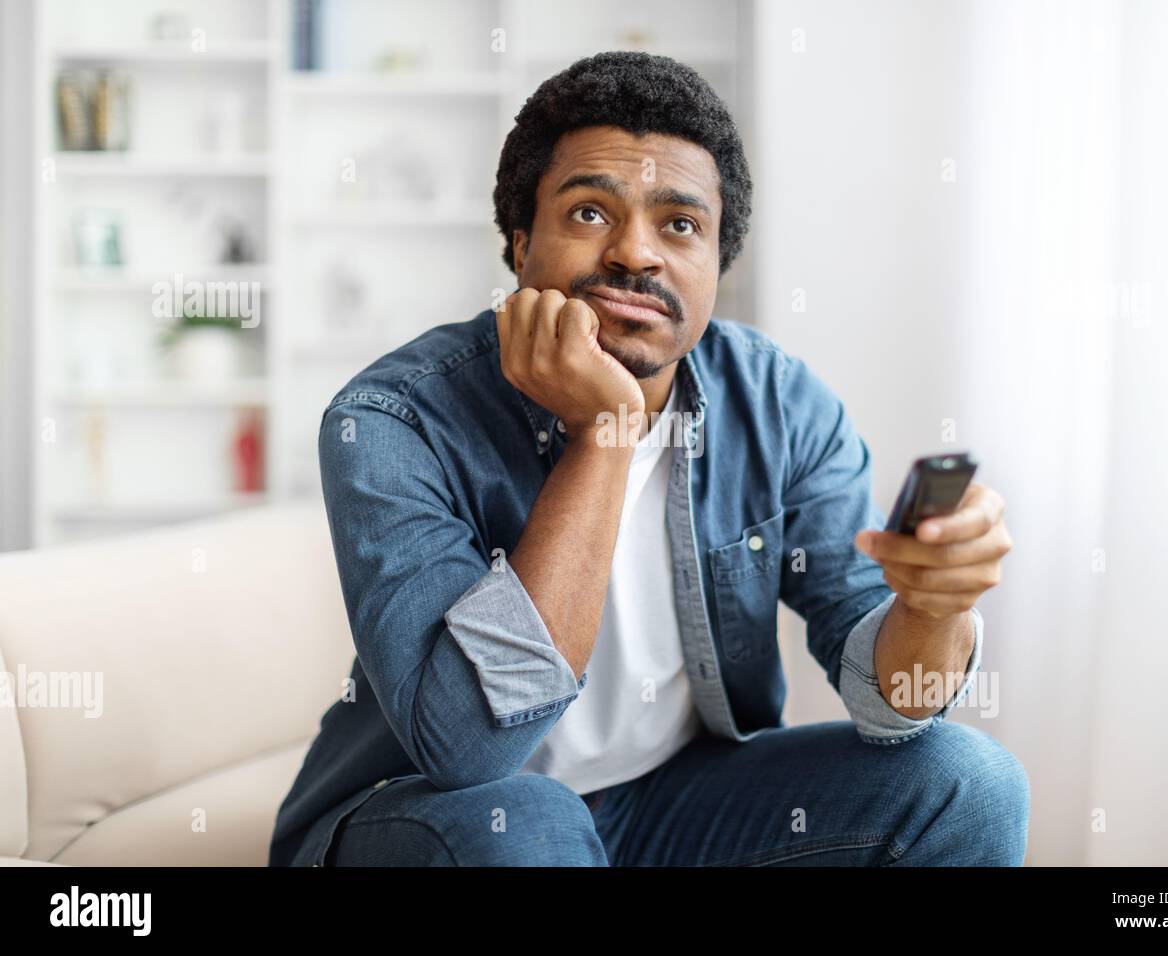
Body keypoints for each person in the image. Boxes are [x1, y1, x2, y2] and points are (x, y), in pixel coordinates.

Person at [268, 50, 1028, 867]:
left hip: (671, 805)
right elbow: (468, 751)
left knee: (970, 781)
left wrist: (932, 607)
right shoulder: (393, 417)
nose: (637, 252)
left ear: (715, 268)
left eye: (680, 224)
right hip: (437, 818)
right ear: (521, 244)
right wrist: (604, 434)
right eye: (590, 213)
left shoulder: (777, 403)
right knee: (527, 822)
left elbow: (892, 706)